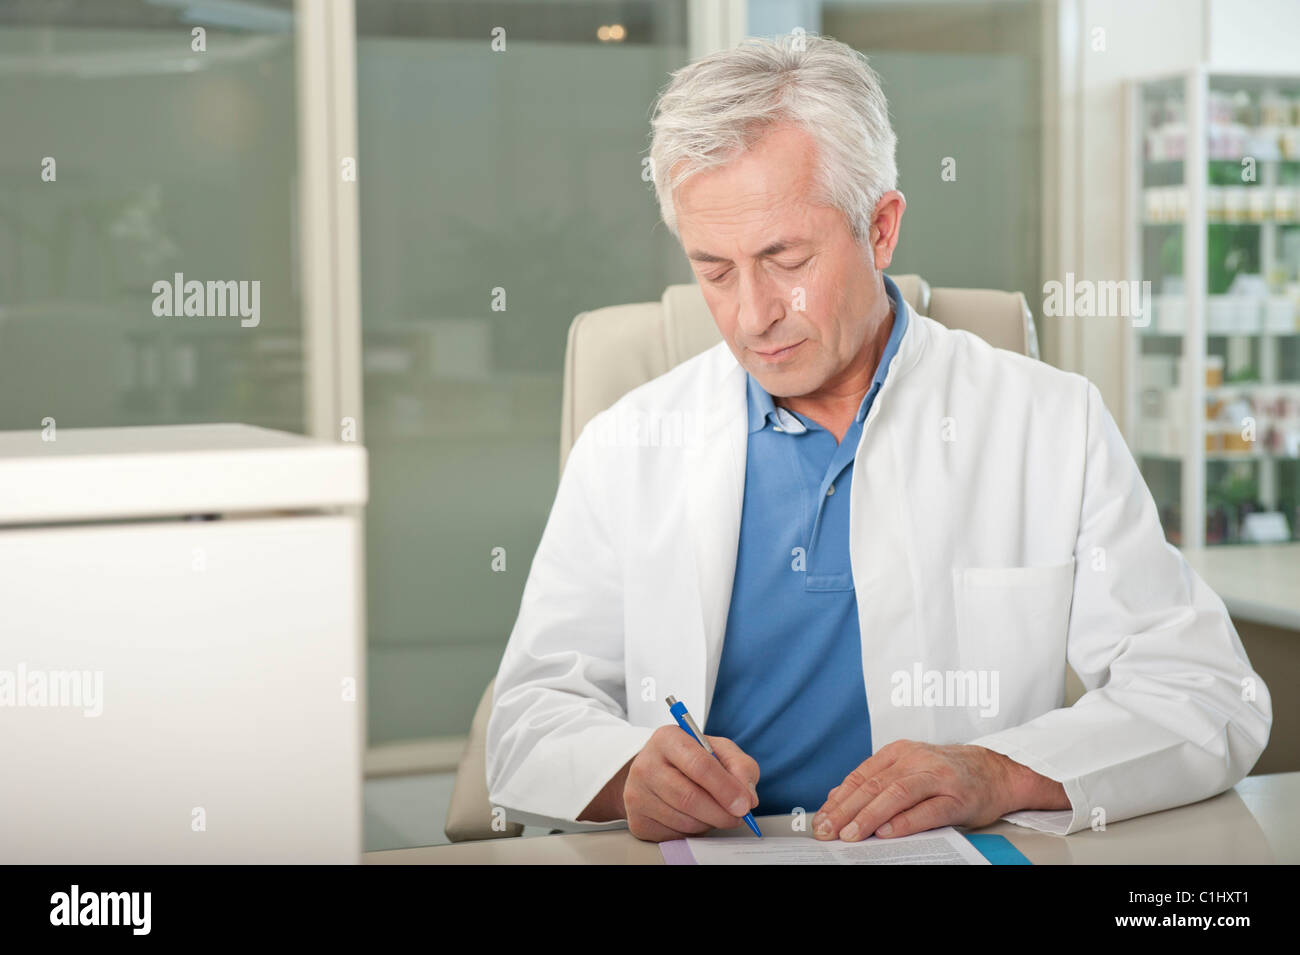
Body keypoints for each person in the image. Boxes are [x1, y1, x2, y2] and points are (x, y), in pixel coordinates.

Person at [486, 33, 1271, 843]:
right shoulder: (630, 443)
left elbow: (1208, 692)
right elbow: (526, 716)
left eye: (786, 258)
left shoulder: (1048, 421)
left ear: (882, 226)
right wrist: (626, 774)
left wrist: (995, 770)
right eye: (715, 270)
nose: (752, 315)